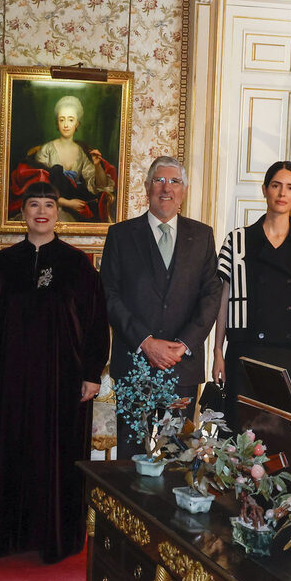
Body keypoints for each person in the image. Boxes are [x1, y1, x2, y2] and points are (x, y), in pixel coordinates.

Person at [0, 176, 107, 562]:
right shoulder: (5, 262)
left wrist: (91, 373)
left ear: (58, 214)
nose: (42, 212)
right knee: (15, 453)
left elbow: (97, 321)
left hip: (64, 382)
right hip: (13, 379)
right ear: (23, 213)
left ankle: (58, 538)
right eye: (34, 205)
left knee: (58, 458)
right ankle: (10, 536)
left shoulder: (77, 265)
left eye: (49, 206)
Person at [100, 157, 223, 456]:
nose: (166, 188)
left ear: (184, 191)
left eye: (174, 182)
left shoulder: (203, 236)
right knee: (131, 455)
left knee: (177, 457)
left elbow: (211, 295)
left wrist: (184, 344)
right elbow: (108, 294)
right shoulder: (121, 235)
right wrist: (146, 342)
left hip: (183, 368)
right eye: (159, 180)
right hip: (134, 363)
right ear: (146, 188)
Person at [211, 160, 291, 411]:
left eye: (290, 188)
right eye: (276, 185)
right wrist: (218, 351)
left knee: (280, 434)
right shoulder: (238, 240)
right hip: (244, 349)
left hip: (289, 354)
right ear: (264, 190)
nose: (282, 193)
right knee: (238, 434)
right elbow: (223, 299)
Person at [9, 94, 117, 223]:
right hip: (51, 205)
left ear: (77, 124)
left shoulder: (82, 152)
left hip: (76, 205)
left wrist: (97, 165)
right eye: (62, 120)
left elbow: (99, 186)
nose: (66, 125)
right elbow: (39, 187)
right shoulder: (47, 149)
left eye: (70, 120)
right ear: (57, 123)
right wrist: (67, 203)